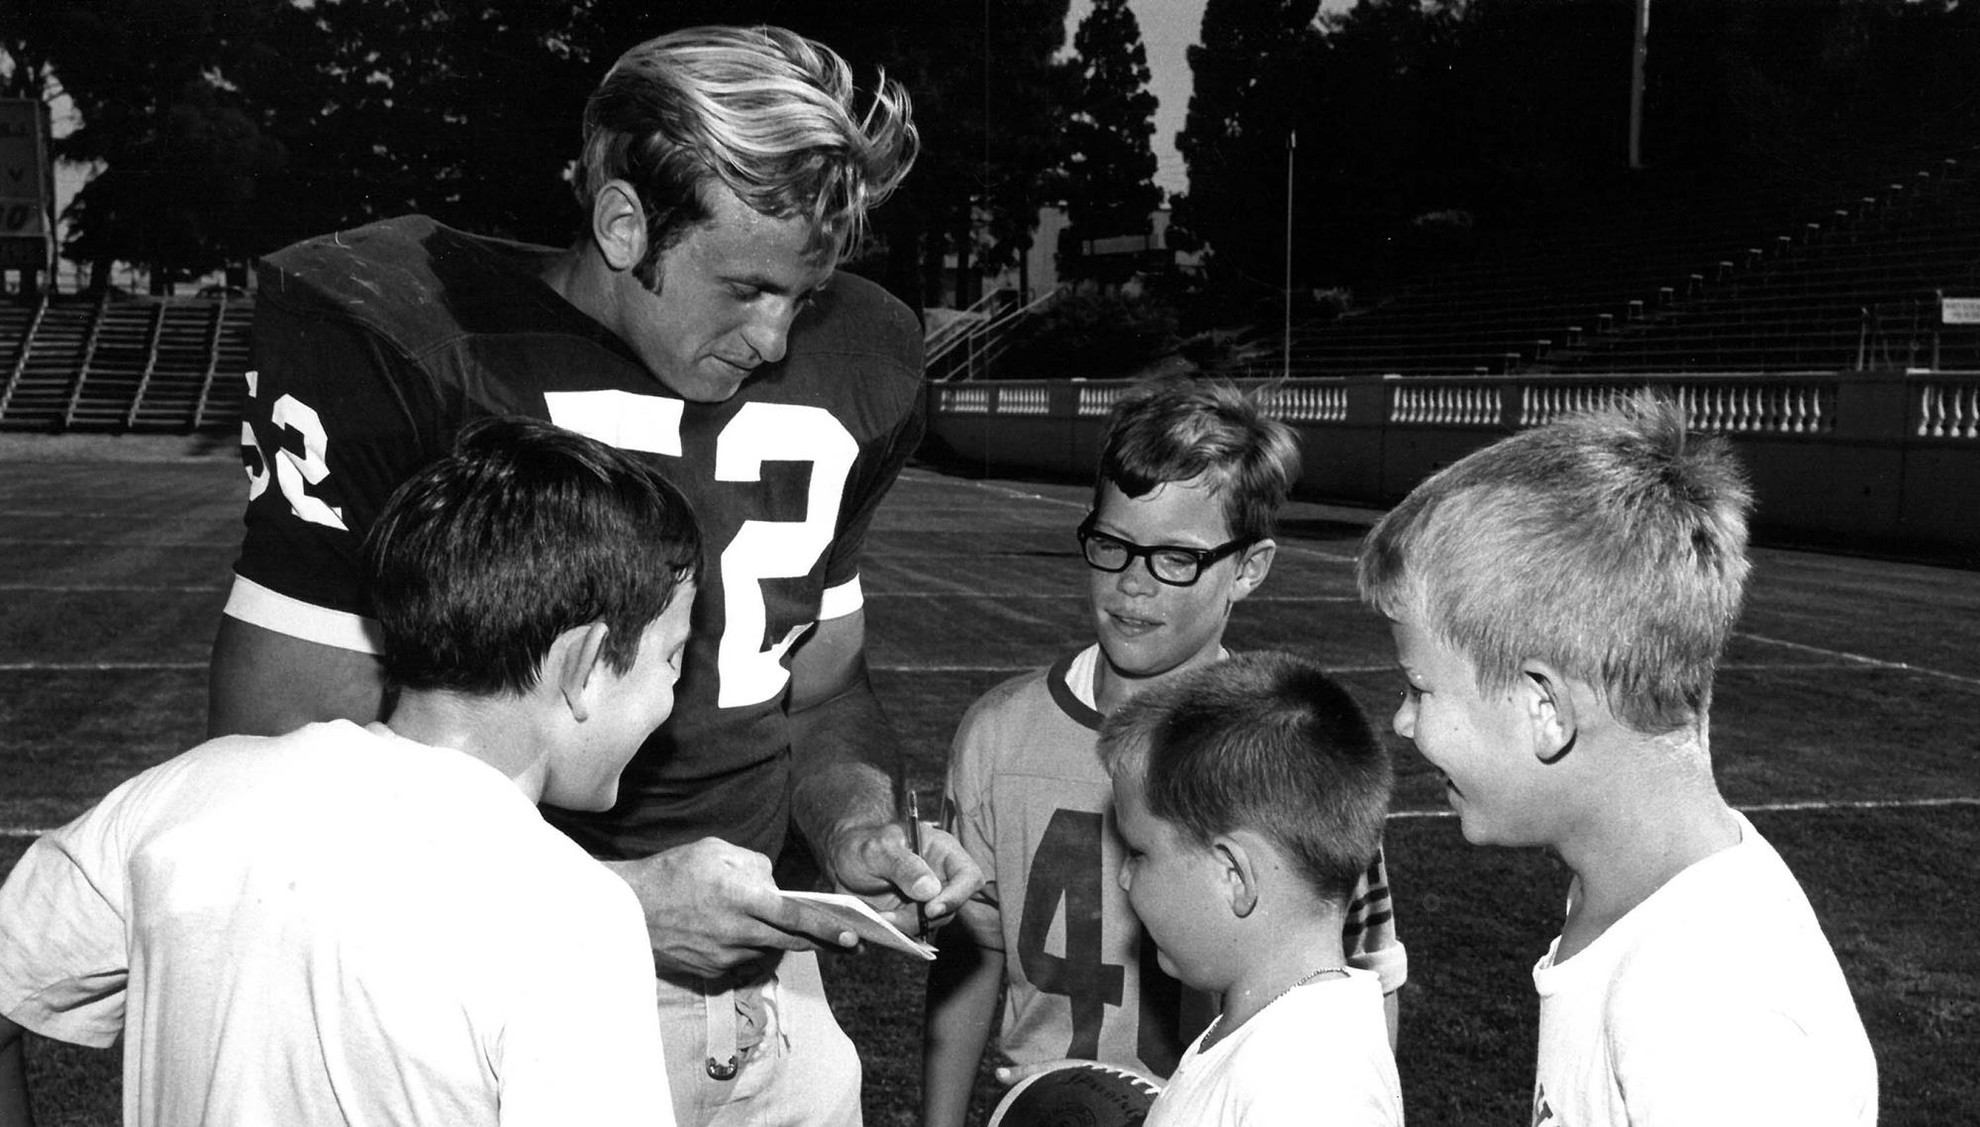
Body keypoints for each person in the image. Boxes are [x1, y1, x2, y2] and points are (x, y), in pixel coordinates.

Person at [207, 25, 979, 1127]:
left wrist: (860, 823)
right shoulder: (413, 342)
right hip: (488, 1003)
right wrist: (609, 908)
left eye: (804, 295)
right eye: (747, 285)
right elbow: (272, 788)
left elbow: (823, 694)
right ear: (623, 222)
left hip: (771, 996)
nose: (773, 337)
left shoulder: (861, 355)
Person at [0, 417, 697, 1126]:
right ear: (583, 663)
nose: (675, 694)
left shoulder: (178, 795)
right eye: (672, 656)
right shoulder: (572, 913)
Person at [1356, 393, 1877, 1125]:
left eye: (1419, 687)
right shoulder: (1626, 892)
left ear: (1547, 709)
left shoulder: (1713, 1022)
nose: (1403, 722)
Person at [922, 378, 1406, 1127]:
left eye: (1176, 557)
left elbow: (1362, 980)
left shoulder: (1290, 755)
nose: (1131, 583)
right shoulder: (999, 733)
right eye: (1112, 544)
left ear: (1248, 567)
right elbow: (973, 953)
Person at [1097, 653, 1403, 1126]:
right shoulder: (1271, 1031)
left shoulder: (1308, 1089)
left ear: (1234, 875)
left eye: (1138, 853)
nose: (1123, 876)